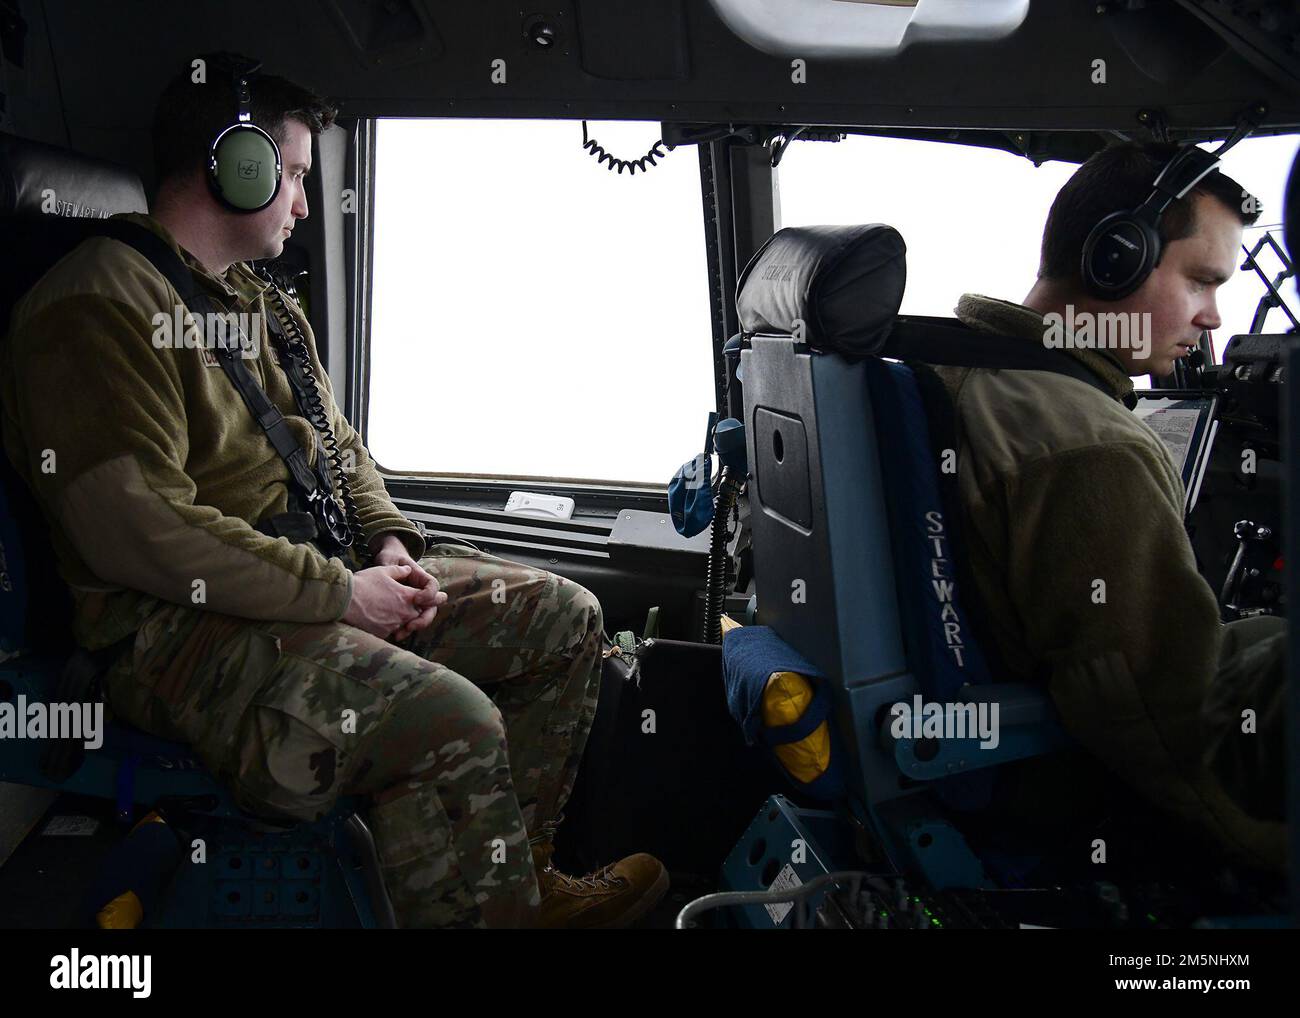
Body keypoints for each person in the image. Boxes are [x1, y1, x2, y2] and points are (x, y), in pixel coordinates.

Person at [0, 54, 668, 928]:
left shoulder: (262, 306)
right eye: (296, 176)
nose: (307, 205)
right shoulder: (96, 302)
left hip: (315, 581)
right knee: (452, 720)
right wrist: (342, 594)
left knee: (565, 617)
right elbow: (136, 527)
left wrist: (388, 545)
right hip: (179, 634)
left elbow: (340, 450)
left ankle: (514, 880)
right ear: (234, 166)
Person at [934, 141, 1287, 873]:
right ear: (1115, 258)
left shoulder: (959, 361)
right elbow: (1157, 716)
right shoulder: (1090, 445)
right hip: (1079, 792)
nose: (1213, 318)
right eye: (1200, 282)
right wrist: (1264, 856)